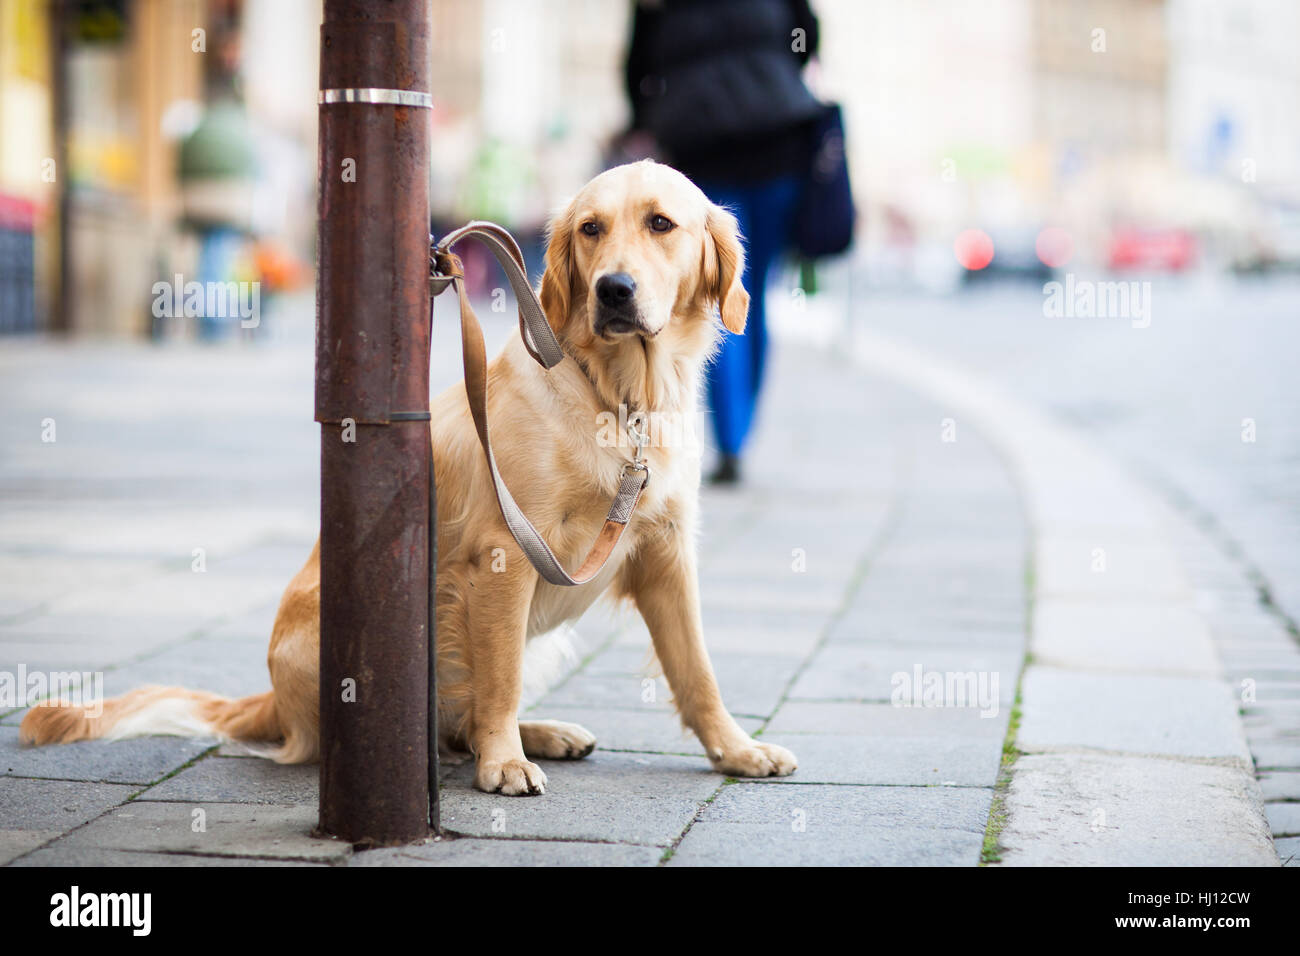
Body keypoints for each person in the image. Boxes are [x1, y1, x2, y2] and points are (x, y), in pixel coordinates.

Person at [625, 0, 822, 484]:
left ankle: (731, 437)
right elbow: (808, 36)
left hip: (700, 145)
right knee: (752, 289)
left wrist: (652, 116)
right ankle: (740, 430)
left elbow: (637, 68)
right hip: (777, 140)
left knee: (716, 293)